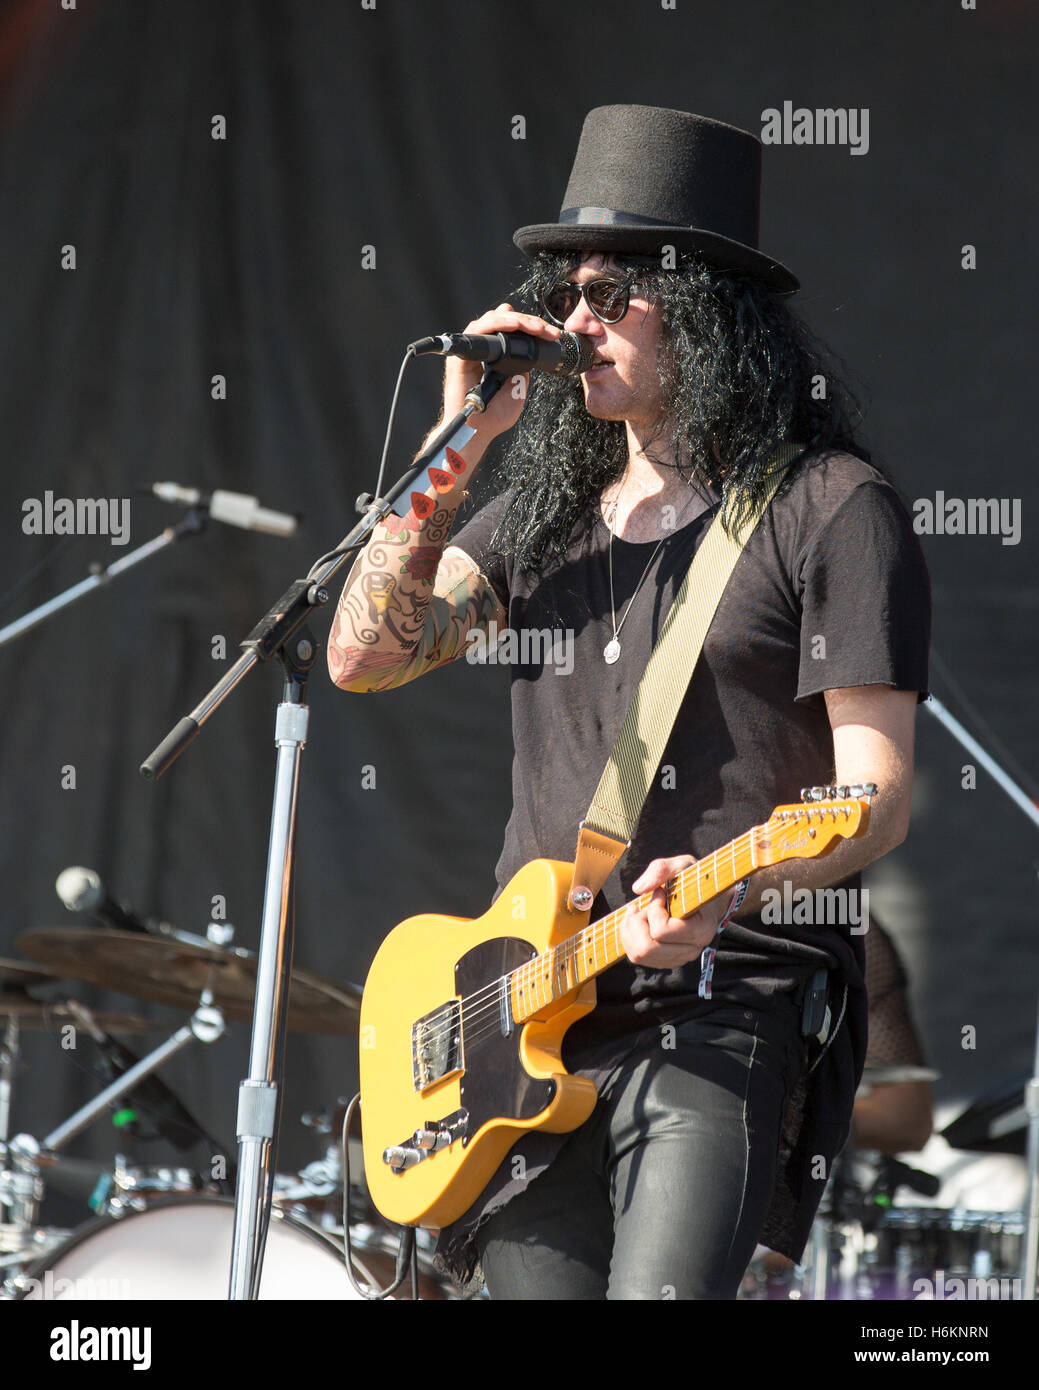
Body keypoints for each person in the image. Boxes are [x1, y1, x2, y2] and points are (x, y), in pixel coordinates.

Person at [328, 105, 931, 1300]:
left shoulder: (829, 508)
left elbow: (876, 794)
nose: (576, 323)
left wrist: (743, 879)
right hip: (523, 1014)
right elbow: (362, 658)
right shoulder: (545, 508)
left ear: (702, 310)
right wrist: (452, 456)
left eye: (611, 296)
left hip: (726, 998)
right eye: (567, 295)